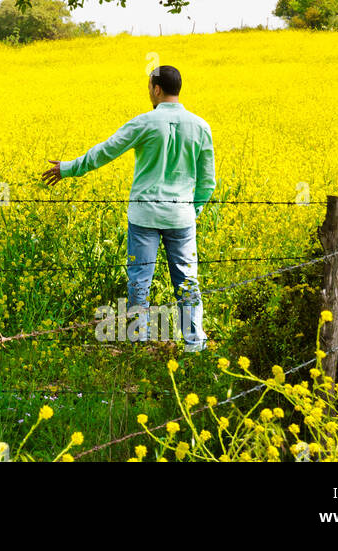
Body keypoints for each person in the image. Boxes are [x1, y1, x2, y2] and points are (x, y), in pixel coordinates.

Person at [41, 65, 216, 352]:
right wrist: (190, 211)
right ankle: (195, 344)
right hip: (181, 217)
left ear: (156, 89)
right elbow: (208, 182)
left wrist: (68, 168)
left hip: (144, 215)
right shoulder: (200, 126)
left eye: (150, 86)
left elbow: (105, 151)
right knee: (187, 281)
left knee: (140, 281)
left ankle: (140, 341)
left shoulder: (145, 123)